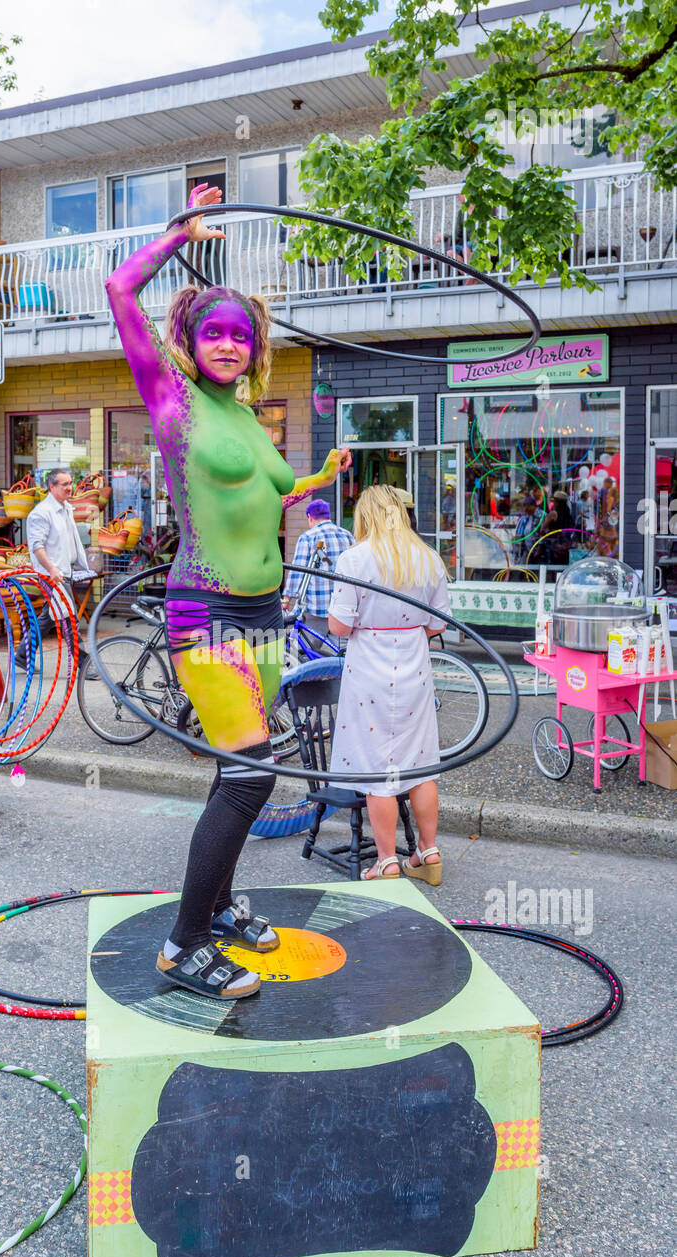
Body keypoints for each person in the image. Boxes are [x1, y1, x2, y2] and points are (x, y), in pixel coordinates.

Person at [105, 181, 351, 1001]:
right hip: (203, 608)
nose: (226, 344)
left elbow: (266, 495)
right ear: (188, 339)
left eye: (239, 336)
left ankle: (212, 910)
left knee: (235, 774)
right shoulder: (172, 403)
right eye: (211, 333)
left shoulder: (247, 417)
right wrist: (180, 233)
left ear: (254, 348)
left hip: (265, 613)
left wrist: (316, 478)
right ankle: (181, 946)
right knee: (252, 773)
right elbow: (118, 290)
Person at [327, 485, 449, 885]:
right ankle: (427, 851)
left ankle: (386, 860)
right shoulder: (428, 558)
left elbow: (340, 626)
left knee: (378, 769)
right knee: (420, 762)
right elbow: (438, 624)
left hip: (369, 671)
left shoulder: (354, 559)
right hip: (413, 668)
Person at [13, 468, 97, 678]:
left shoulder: (66, 508)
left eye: (70, 483)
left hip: (64, 572)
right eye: (64, 484)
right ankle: (84, 663)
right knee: (69, 619)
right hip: (51, 575)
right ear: (52, 487)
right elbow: (37, 546)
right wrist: (51, 569)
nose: (70, 487)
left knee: (48, 618)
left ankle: (22, 655)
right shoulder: (41, 513)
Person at [282, 498, 353, 643]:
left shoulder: (308, 537)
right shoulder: (348, 536)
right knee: (340, 654)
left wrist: (287, 599)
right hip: (342, 609)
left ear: (310, 517)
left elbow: (298, 571)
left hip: (317, 609)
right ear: (328, 516)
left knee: (303, 652)